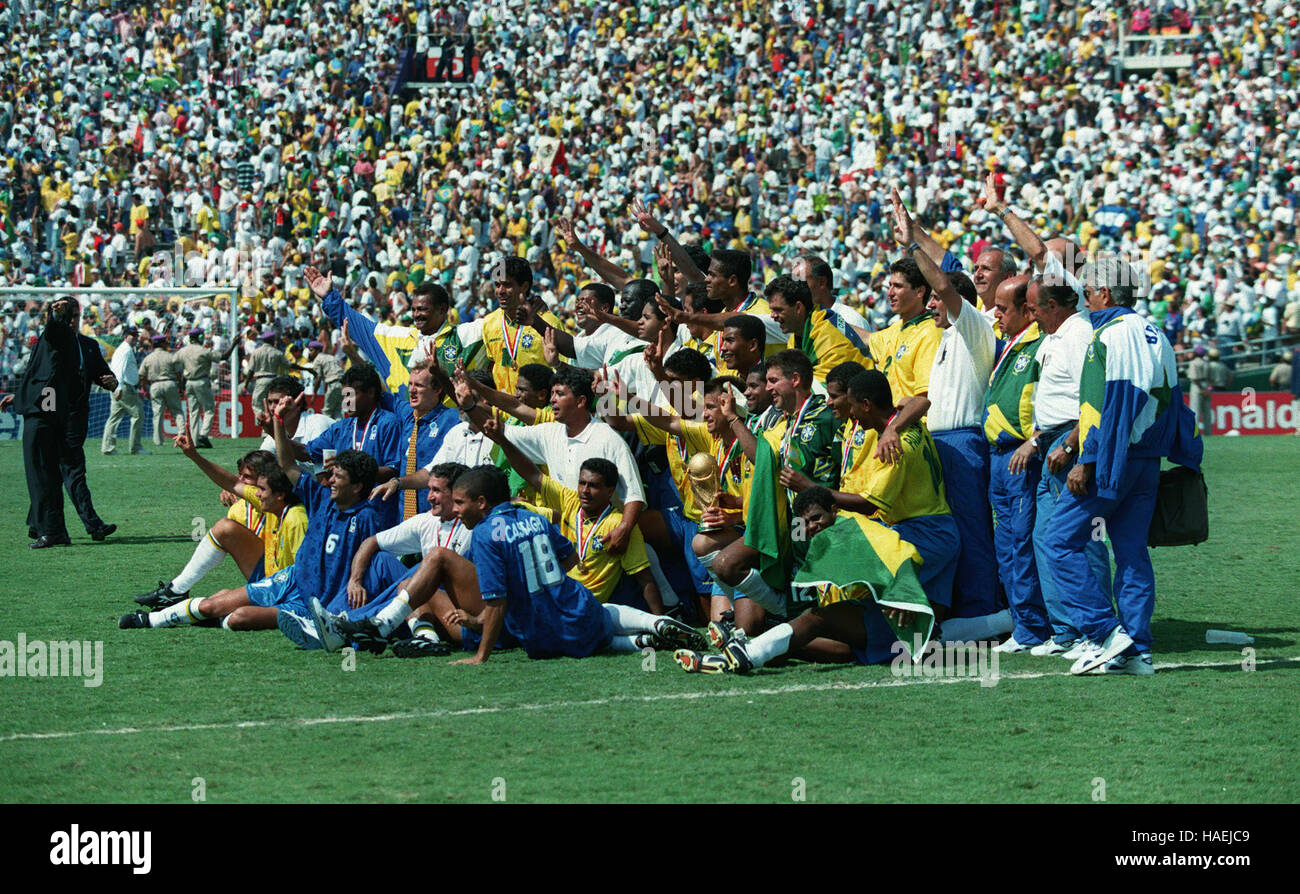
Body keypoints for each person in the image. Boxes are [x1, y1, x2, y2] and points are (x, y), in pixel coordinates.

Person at [309, 466, 707, 662]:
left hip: (531, 631)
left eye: (460, 502)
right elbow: (568, 559)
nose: (454, 509)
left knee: (432, 569)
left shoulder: (484, 533)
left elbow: (495, 603)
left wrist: (481, 652)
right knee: (601, 623)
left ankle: (380, 627)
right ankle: (652, 631)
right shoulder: (534, 517)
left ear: (481, 503)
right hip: (575, 612)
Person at [1044, 257, 1203, 675]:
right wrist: (1184, 455)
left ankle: (1105, 634)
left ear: (1106, 294)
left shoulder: (1114, 333)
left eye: (1088, 294)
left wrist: (1090, 459)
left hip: (1116, 458)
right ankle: (1137, 650)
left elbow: (1114, 405)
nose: (1084, 303)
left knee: (1058, 541)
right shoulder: (1156, 334)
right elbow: (1174, 406)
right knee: (1131, 553)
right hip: (1146, 461)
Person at [119, 440, 307, 630]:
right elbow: (232, 483)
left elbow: (305, 572)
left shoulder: (296, 518)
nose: (255, 493)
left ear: (279, 493)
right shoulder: (251, 507)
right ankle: (167, 603)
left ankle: (158, 616)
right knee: (220, 598)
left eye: (258, 486)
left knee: (233, 613)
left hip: (287, 592)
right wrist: (194, 455)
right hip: (272, 583)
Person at [484, 418, 664, 612]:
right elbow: (532, 474)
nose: (585, 491)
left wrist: (660, 617)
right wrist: (502, 440)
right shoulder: (570, 502)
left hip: (587, 607)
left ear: (610, 491)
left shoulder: (617, 524)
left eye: (593, 486)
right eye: (582, 483)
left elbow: (644, 578)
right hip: (560, 597)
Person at [1, 296, 117, 547]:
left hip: (68, 417)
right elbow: (43, 372)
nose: (74, 321)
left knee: (62, 471)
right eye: (70, 316)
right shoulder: (57, 337)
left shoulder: (85, 344)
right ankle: (47, 524)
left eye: (76, 316)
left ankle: (66, 527)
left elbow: (101, 372)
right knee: (47, 471)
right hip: (53, 412)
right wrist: (20, 396)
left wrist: (112, 381)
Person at [982, 273, 1053, 653]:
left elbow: (1053, 402)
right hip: (998, 459)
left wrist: (1035, 440)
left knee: (1022, 544)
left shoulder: (1040, 345)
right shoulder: (1009, 345)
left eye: (1003, 308)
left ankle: (1035, 627)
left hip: (1021, 457)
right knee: (1006, 545)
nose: (995, 315)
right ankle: (1022, 624)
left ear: (1028, 310)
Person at [340, 462, 473, 657]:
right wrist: (355, 581)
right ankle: (425, 638)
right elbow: (371, 542)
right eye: (428, 490)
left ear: (456, 493)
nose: (429, 497)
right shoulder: (427, 520)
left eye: (436, 491)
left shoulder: (475, 523)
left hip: (465, 618)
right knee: (383, 561)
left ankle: (357, 624)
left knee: (429, 565)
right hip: (435, 606)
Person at [765, 274, 871, 388]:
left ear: (798, 308)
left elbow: (822, 393)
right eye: (772, 310)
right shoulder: (796, 337)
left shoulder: (829, 337)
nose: (773, 316)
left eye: (778, 310)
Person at [173, 327, 229, 447]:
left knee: (193, 412)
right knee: (209, 409)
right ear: (199, 337)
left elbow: (173, 361)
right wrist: (234, 344)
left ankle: (194, 439)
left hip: (188, 383)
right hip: (201, 382)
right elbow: (223, 357)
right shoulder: (204, 351)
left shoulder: (183, 351)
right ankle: (203, 434)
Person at [101, 326, 145, 455]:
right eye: (133, 335)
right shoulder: (125, 350)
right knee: (138, 414)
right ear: (125, 336)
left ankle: (108, 447)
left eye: (137, 335)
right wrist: (119, 387)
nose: (136, 338)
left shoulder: (123, 349)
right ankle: (135, 447)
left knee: (114, 418)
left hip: (120, 386)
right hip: (124, 387)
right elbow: (119, 369)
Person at [138, 333, 183, 446]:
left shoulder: (148, 358)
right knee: (177, 411)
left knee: (157, 414)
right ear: (163, 344)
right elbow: (178, 373)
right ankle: (182, 434)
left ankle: (158, 440)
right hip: (170, 383)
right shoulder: (171, 356)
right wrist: (181, 387)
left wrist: (145, 389)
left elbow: (142, 376)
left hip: (155, 385)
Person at [306, 340, 344, 418]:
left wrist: (314, 394)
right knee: (337, 411)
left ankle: (327, 429)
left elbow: (318, 378)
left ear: (318, 350)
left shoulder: (317, 360)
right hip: (343, 384)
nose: (310, 353)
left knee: (327, 411)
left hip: (333, 384)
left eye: (311, 350)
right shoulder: (331, 357)